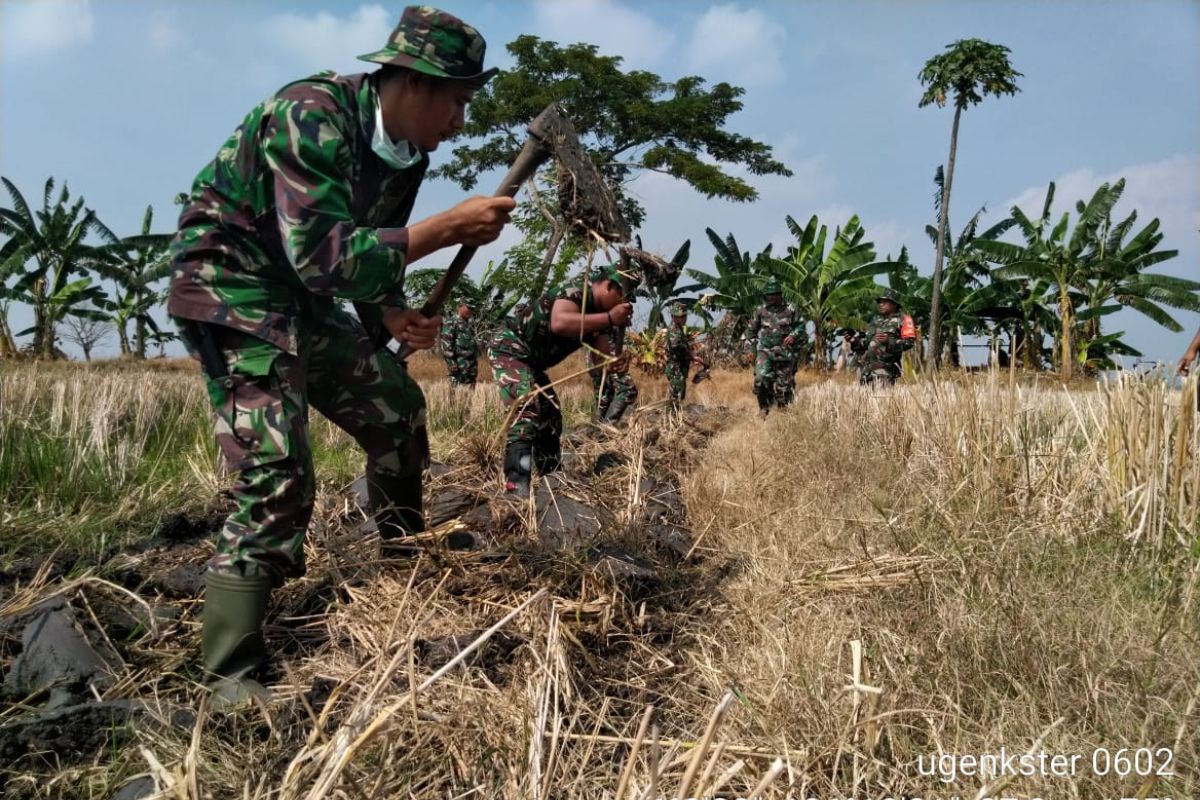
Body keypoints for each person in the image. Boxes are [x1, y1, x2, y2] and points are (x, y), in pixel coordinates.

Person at [166, 6, 512, 702]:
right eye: (458, 102)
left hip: (302, 294)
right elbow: (323, 254)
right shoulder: (311, 113)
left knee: (395, 408)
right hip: (231, 284)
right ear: (413, 81)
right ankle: (227, 675)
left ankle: (402, 553)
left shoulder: (406, 155)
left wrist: (389, 312)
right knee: (277, 471)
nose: (461, 123)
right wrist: (444, 230)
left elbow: (364, 255)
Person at [488, 265, 635, 496]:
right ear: (609, 287)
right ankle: (516, 485)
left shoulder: (601, 324)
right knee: (528, 406)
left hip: (534, 364)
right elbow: (560, 322)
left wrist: (615, 362)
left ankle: (551, 479)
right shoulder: (577, 292)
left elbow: (601, 361)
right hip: (511, 348)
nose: (623, 306)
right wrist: (609, 317)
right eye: (623, 299)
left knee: (551, 418)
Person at [745, 281, 805, 418]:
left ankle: (783, 415)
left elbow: (800, 326)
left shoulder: (791, 309)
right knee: (760, 379)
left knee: (784, 388)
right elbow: (750, 332)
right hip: (765, 351)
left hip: (785, 353)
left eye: (773, 295)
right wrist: (750, 350)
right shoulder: (760, 310)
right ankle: (763, 408)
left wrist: (793, 335)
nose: (771, 298)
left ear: (779, 295)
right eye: (768, 295)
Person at [855, 288, 916, 386]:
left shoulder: (904, 319)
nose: (880, 304)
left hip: (886, 371)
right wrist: (854, 341)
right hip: (867, 372)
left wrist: (890, 341)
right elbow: (866, 344)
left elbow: (909, 343)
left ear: (894, 304)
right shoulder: (875, 321)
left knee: (882, 399)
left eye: (884, 302)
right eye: (879, 302)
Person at [586, 338, 638, 422]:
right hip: (608, 353)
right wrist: (619, 353)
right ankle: (607, 429)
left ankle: (595, 430)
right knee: (627, 391)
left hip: (594, 356)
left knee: (604, 396)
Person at [440, 302, 478, 386]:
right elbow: (446, 344)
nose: (471, 311)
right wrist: (451, 363)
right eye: (468, 308)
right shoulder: (451, 322)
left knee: (471, 393)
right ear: (460, 307)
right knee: (457, 393)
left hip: (471, 366)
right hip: (458, 366)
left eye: (472, 309)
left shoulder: (469, 324)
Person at [664, 302, 694, 407]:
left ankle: (674, 419)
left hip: (679, 369)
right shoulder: (673, 330)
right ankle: (670, 420)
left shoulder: (679, 329)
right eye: (680, 316)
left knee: (678, 396)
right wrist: (691, 354)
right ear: (673, 317)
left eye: (684, 316)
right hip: (675, 368)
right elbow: (675, 346)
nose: (683, 319)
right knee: (675, 397)